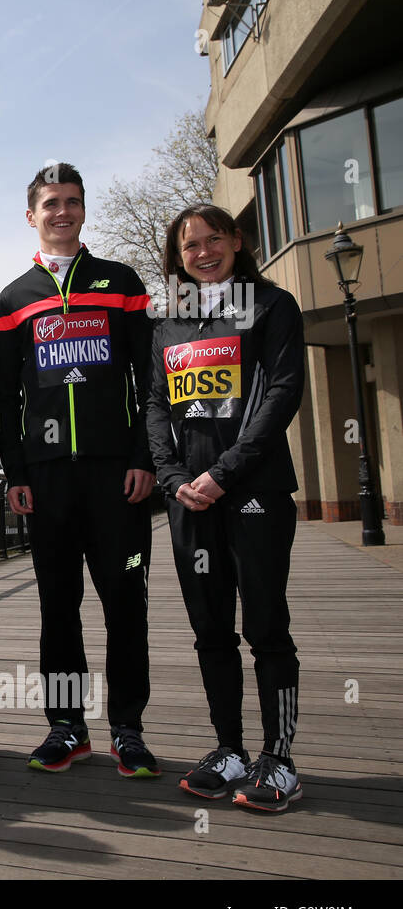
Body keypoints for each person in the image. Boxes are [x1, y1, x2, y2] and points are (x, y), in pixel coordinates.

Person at [0, 163, 160, 777]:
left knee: (124, 602)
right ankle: (67, 727)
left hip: (117, 474)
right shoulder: (13, 300)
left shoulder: (122, 282)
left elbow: (153, 382)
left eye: (72, 202)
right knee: (57, 606)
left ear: (83, 210)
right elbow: (5, 397)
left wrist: (145, 458)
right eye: (49, 204)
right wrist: (16, 474)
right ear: (31, 216)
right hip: (47, 476)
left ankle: (128, 728)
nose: (61, 212)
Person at [148, 204, 305, 811]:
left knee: (265, 626)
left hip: (255, 492)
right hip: (190, 500)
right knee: (210, 631)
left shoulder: (272, 307)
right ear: (177, 255)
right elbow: (157, 407)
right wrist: (172, 476)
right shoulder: (170, 322)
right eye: (191, 246)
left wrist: (224, 473)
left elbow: (282, 394)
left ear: (238, 241)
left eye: (215, 239)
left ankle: (280, 758)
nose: (204, 252)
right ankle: (229, 748)